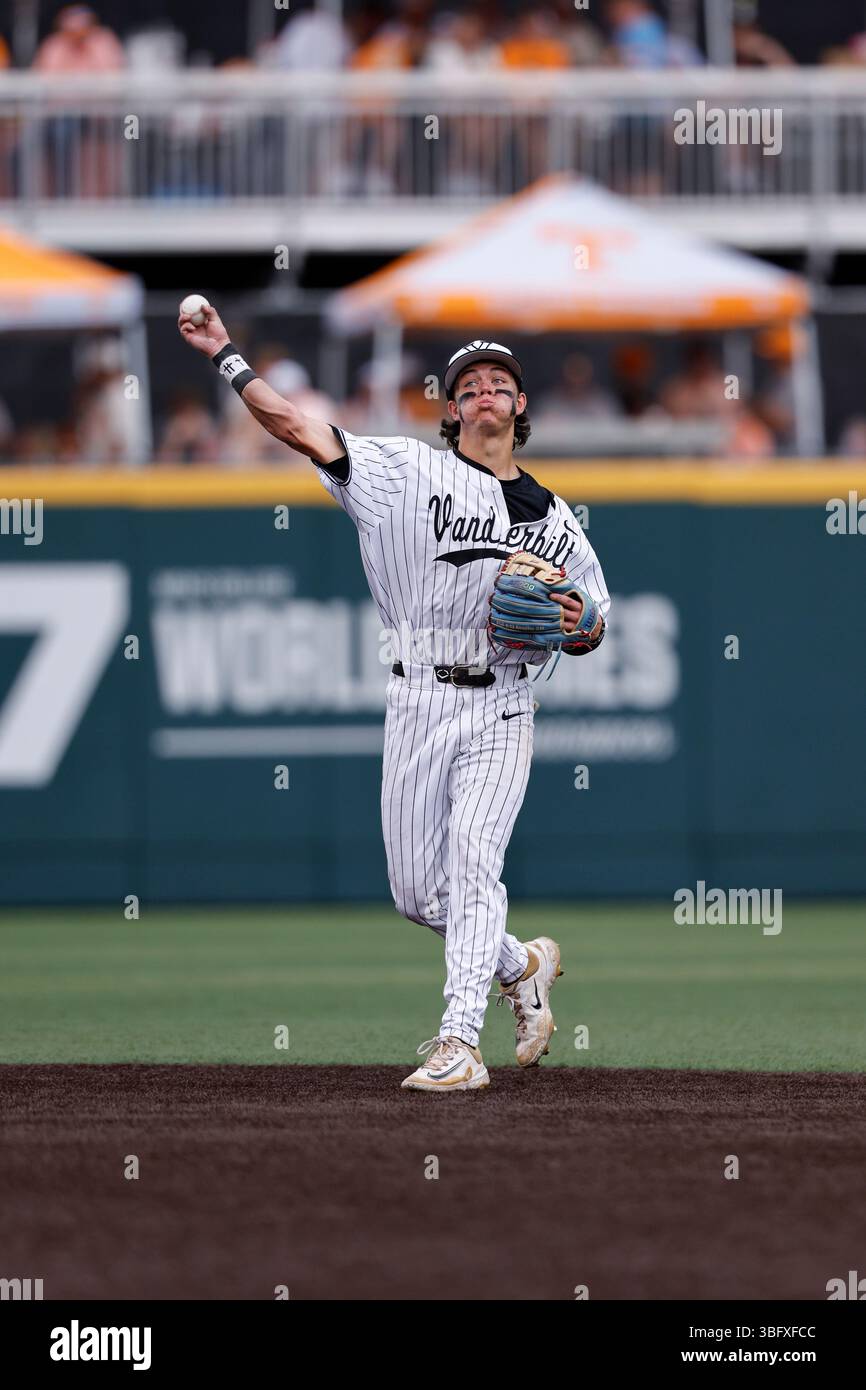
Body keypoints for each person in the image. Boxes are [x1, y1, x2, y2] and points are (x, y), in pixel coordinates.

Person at [179, 306, 610, 1092]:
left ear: (520, 408)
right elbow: (297, 426)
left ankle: (458, 1044)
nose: (485, 392)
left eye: (500, 384)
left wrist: (580, 623)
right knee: (419, 894)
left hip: (503, 703)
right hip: (416, 698)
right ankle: (525, 964)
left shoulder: (558, 523)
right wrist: (227, 356)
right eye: (469, 385)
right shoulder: (404, 473)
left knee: (476, 866)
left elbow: (593, 624)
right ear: (450, 410)